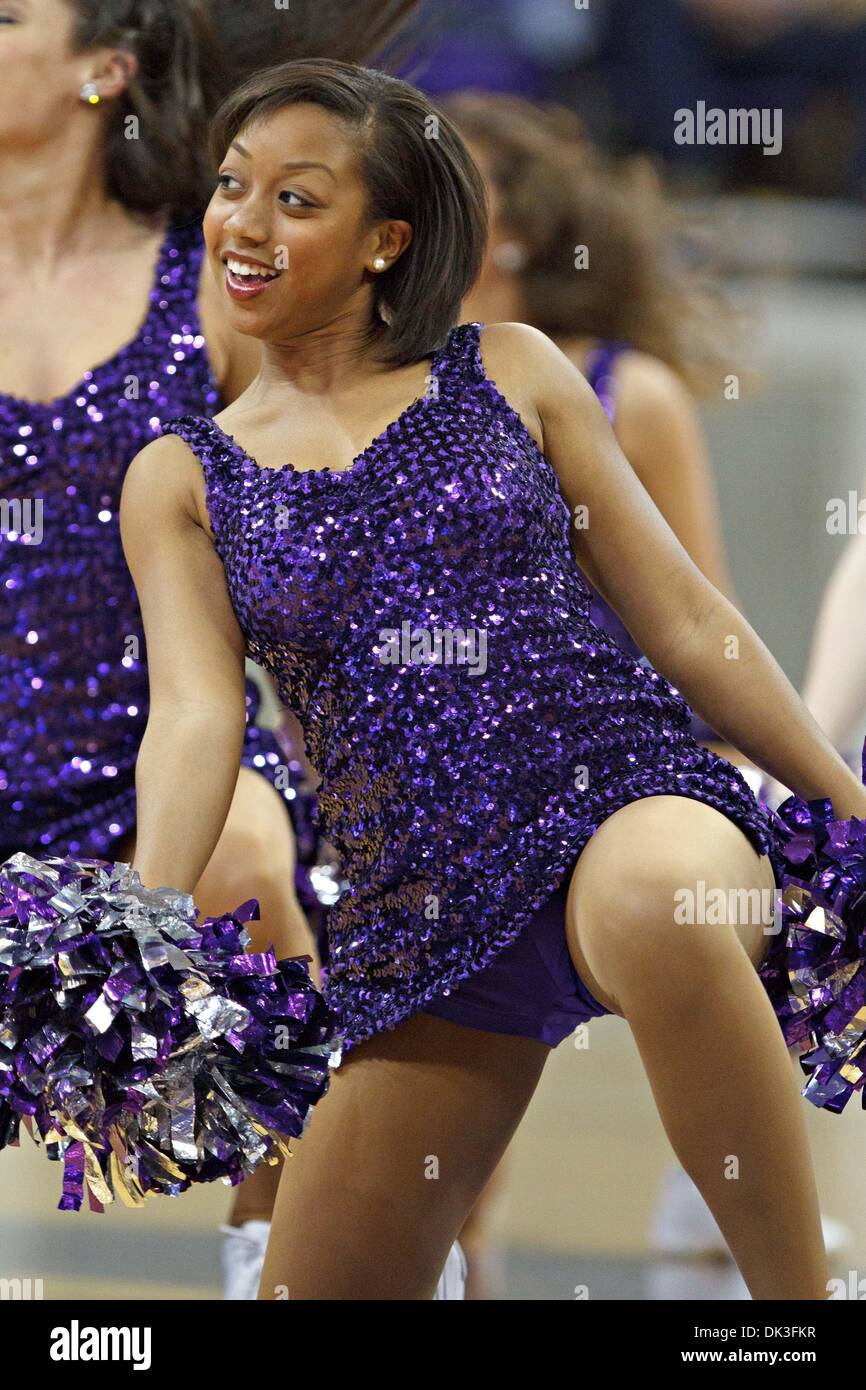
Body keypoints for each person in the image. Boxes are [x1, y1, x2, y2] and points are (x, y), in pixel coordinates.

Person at [120, 58, 865, 1300]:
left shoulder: (509, 370)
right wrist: (140, 920)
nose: (243, 222)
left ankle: (799, 1310)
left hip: (624, 802)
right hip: (416, 903)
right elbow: (195, 717)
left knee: (654, 903)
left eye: (296, 199)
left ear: (385, 241)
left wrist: (844, 807)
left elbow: (687, 621)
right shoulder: (180, 477)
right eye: (232, 185)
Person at [0, 0, 468, 1299]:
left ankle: (281, 1255)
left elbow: (328, 500)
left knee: (252, 858)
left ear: (103, 69)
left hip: (156, 746)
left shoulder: (206, 276)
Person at [438, 88, 761, 1294]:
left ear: (517, 232)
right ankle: (436, 1226)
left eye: (450, 184)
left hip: (628, 752)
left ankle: (728, 1171)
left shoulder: (630, 390)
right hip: (445, 762)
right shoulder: (380, 384)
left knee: (705, 878)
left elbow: (698, 619)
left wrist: (742, 769)